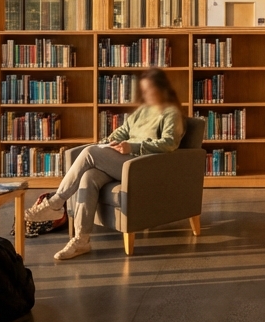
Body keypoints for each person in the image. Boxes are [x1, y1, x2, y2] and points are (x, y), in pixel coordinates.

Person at [25, 69, 184, 260]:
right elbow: (122, 131)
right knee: (88, 176)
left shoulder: (171, 113)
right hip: (122, 162)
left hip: (142, 167)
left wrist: (131, 146)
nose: (146, 94)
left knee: (90, 152)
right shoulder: (143, 111)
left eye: (150, 89)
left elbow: (169, 144)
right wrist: (108, 142)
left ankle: (55, 202)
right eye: (144, 90)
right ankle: (81, 240)